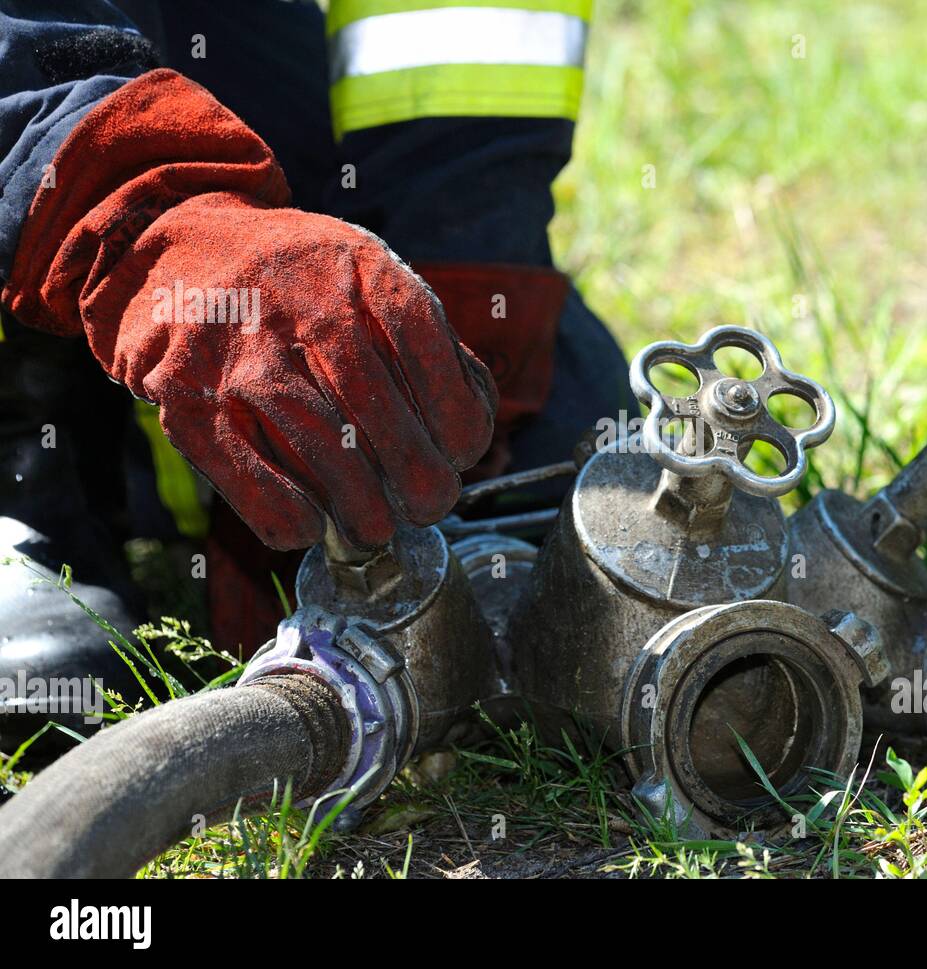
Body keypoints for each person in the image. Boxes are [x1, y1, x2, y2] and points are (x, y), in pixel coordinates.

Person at [0, 0, 635, 757]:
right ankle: (27, 478)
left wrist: (460, 272)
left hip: (225, 90)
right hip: (40, 119)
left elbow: (472, 27)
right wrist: (143, 225)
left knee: (579, 456)